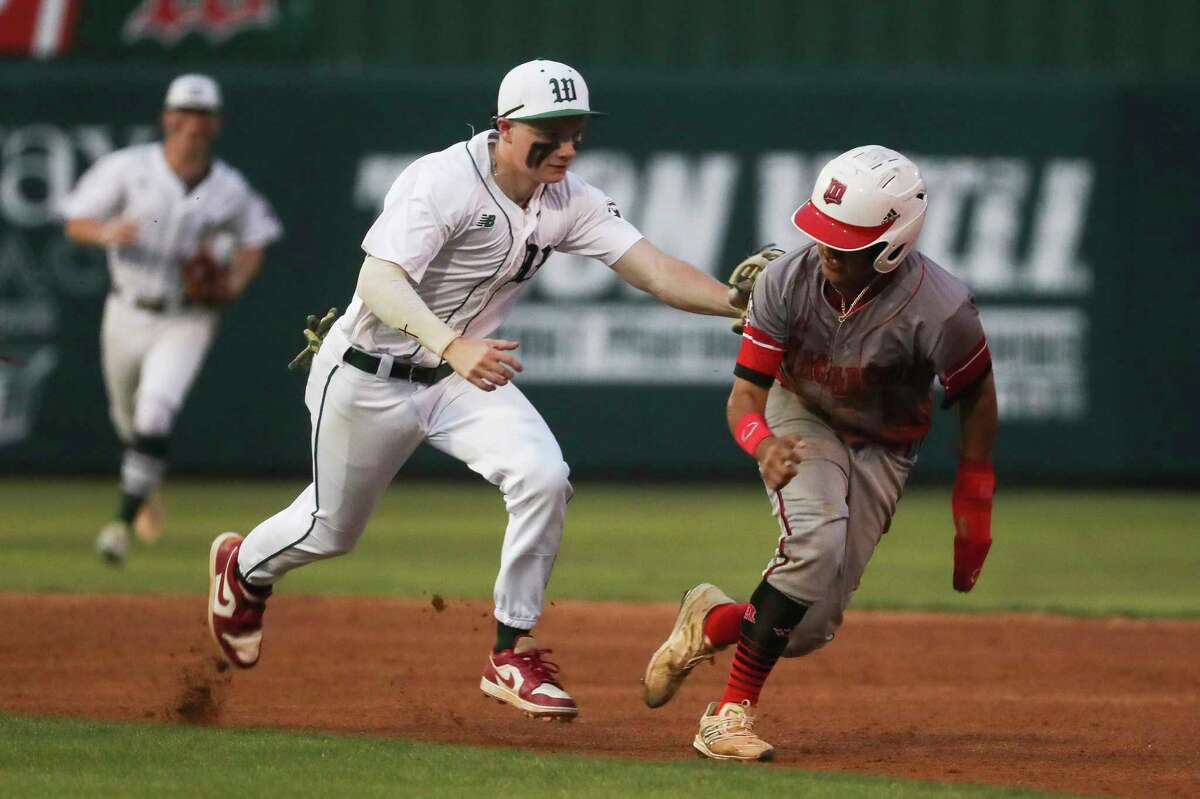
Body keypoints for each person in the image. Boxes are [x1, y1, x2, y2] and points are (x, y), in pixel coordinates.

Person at [206, 60, 740, 720]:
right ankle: (243, 569)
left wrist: (739, 303)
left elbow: (654, 270)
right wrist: (451, 344)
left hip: (460, 378)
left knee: (543, 476)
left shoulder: (568, 198)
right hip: (371, 375)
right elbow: (378, 281)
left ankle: (511, 651)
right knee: (329, 529)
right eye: (550, 133)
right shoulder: (443, 180)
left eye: (575, 132)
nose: (567, 147)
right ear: (505, 127)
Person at [642, 145, 998, 760]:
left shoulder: (943, 308)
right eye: (822, 231)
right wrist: (761, 443)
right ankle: (728, 716)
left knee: (806, 628)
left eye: (846, 241)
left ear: (893, 244)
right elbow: (744, 396)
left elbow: (977, 397)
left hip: (886, 444)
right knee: (815, 541)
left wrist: (974, 500)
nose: (827, 250)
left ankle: (712, 621)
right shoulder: (786, 280)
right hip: (801, 413)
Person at [61, 74, 282, 564]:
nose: (192, 124)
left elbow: (256, 238)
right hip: (127, 308)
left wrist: (232, 283)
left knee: (155, 410)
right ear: (167, 117)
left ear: (215, 124)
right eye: (184, 112)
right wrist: (105, 232)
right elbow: (76, 220)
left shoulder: (228, 188)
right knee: (127, 421)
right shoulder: (128, 168)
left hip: (188, 318)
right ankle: (143, 487)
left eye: (202, 114)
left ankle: (119, 527)